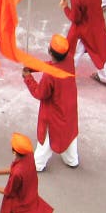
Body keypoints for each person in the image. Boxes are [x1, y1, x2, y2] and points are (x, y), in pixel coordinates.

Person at [22, 34, 79, 171]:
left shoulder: (50, 76)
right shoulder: (69, 60)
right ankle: (72, 160)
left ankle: (37, 164)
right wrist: (33, 67)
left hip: (54, 113)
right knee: (69, 134)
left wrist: (28, 77)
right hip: (69, 109)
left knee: (47, 139)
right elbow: (50, 65)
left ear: (50, 52)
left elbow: (39, 93)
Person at [60, 0, 106, 86]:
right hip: (97, 26)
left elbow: (75, 18)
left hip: (83, 31)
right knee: (99, 53)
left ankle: (66, 76)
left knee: (74, 53)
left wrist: (65, 7)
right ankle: (105, 77)